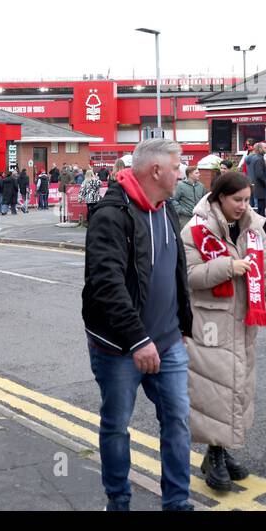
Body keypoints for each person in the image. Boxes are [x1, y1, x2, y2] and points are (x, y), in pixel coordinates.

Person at [82, 138, 193, 511]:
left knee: (177, 421)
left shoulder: (167, 208)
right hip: (120, 347)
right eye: (177, 167)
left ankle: (177, 502)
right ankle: (118, 501)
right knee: (116, 425)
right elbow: (107, 283)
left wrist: (184, 327)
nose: (182, 173)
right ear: (156, 171)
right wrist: (138, 339)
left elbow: (174, 271)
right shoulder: (111, 215)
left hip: (168, 340)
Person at [181, 171, 266, 490]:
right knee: (215, 388)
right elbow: (189, 276)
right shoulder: (195, 230)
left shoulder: (254, 229)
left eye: (247, 199)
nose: (244, 206)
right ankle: (215, 453)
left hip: (244, 320)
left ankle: (221, 451)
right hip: (210, 322)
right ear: (219, 198)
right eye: (237, 200)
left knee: (238, 385)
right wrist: (227, 267)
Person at [173, 165, 207, 229]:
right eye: (196, 173)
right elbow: (173, 200)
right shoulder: (180, 185)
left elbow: (204, 200)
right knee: (184, 237)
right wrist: (182, 210)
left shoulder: (201, 186)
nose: (199, 174)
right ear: (190, 174)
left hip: (198, 219)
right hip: (184, 219)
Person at [244, 142, 266, 216]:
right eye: (265, 148)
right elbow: (260, 174)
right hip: (260, 187)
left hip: (251, 183)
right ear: (260, 149)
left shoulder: (250, 158)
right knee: (260, 210)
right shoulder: (259, 159)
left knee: (253, 207)